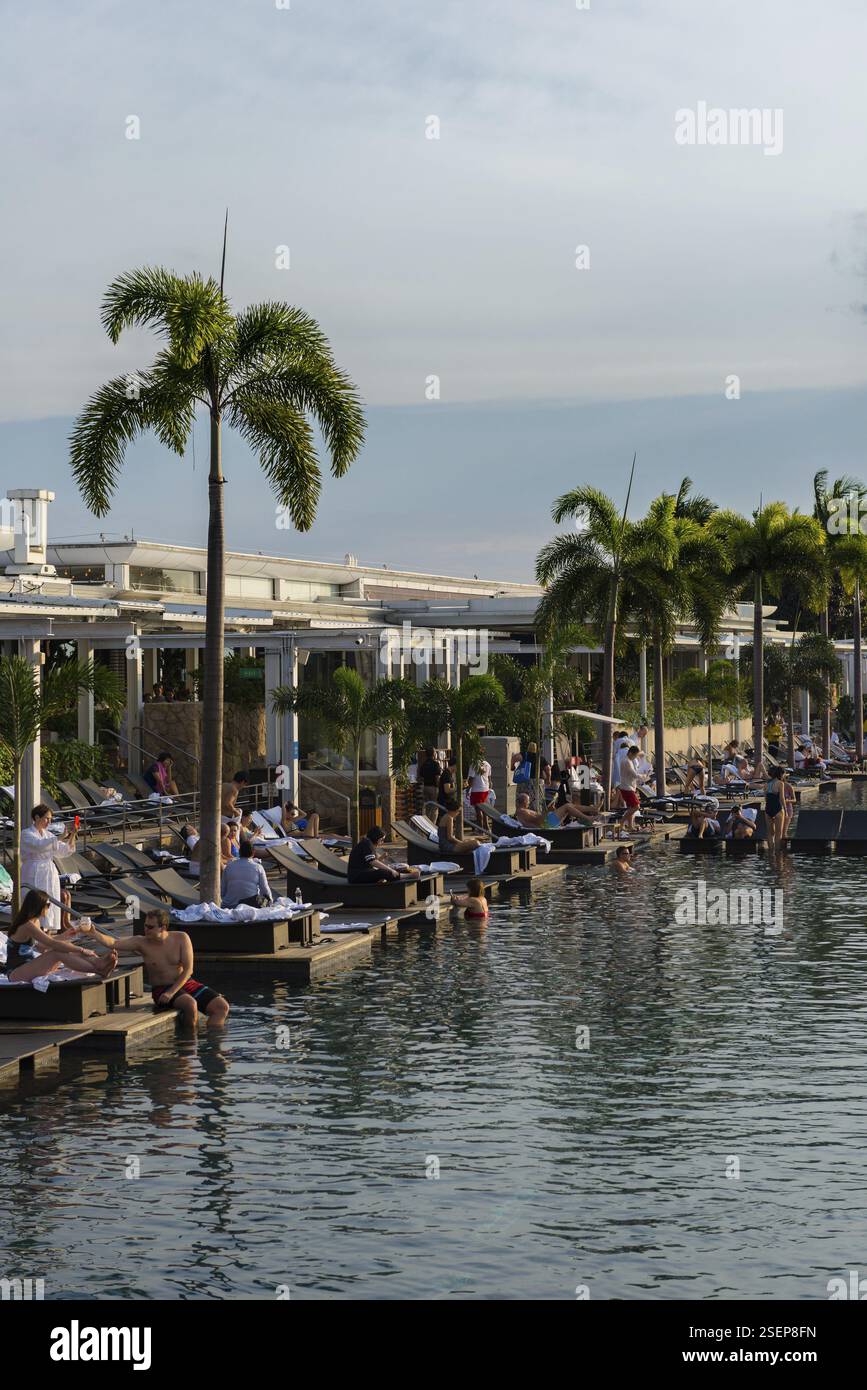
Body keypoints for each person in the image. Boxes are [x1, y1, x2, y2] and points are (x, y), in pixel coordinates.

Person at [87, 909, 229, 1026]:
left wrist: (172, 992)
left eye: (150, 927)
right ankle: (189, 1047)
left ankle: (212, 1045)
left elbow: (188, 970)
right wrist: (94, 933)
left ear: (163, 927)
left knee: (222, 1007)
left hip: (184, 983)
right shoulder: (141, 943)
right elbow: (113, 943)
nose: (146, 929)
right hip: (162, 988)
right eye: (145, 925)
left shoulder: (181, 938)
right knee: (190, 1004)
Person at [3, 888, 117, 982]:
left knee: (65, 946)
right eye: (48, 904)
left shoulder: (35, 921)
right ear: (39, 905)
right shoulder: (27, 925)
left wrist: (65, 935)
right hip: (16, 972)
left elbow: (42, 945)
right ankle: (98, 969)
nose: (49, 908)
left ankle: (99, 963)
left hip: (29, 966)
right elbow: (51, 943)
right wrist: (81, 950)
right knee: (57, 952)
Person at [19, 804, 78, 932]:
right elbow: (38, 845)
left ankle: (48, 931)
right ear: (37, 817)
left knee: (51, 902)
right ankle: (35, 931)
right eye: (47, 818)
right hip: (33, 871)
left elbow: (63, 851)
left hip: (49, 871)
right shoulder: (26, 834)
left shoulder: (48, 834)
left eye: (50, 819)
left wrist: (72, 835)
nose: (49, 822)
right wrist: (59, 838)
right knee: (36, 902)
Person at [347, 825, 419, 883]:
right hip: (356, 876)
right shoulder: (367, 844)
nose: (382, 842)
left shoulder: (367, 843)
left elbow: (371, 862)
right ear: (377, 838)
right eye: (382, 840)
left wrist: (382, 858)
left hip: (363, 872)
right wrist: (391, 870)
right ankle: (408, 876)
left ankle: (404, 873)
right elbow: (373, 862)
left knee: (389, 869)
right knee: (383, 872)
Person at [221, 840, 274, 908]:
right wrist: (270, 903)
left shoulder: (229, 866)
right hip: (250, 906)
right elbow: (265, 890)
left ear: (239, 852)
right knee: (264, 901)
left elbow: (223, 891)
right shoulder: (258, 867)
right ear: (253, 853)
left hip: (228, 905)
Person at [617, 746, 647, 835]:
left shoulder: (628, 760)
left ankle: (630, 826)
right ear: (630, 753)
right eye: (635, 755)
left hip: (629, 786)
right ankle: (621, 822)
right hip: (627, 787)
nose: (635, 757)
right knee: (636, 806)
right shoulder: (626, 761)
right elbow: (633, 774)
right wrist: (643, 776)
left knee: (631, 807)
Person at [466, 756, 493, 829]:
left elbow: (471, 779)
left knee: (478, 810)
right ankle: (486, 827)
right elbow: (490, 779)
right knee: (485, 810)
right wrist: (489, 788)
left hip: (477, 790)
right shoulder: (487, 764)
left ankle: (480, 829)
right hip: (485, 789)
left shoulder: (474, 764)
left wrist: (468, 789)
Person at [765, 766, 787, 852]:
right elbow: (782, 798)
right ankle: (777, 854)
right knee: (778, 834)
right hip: (777, 808)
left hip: (768, 809)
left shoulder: (766, 784)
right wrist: (785, 809)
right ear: (780, 774)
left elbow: (766, 799)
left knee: (770, 834)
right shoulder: (780, 783)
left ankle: (771, 853)